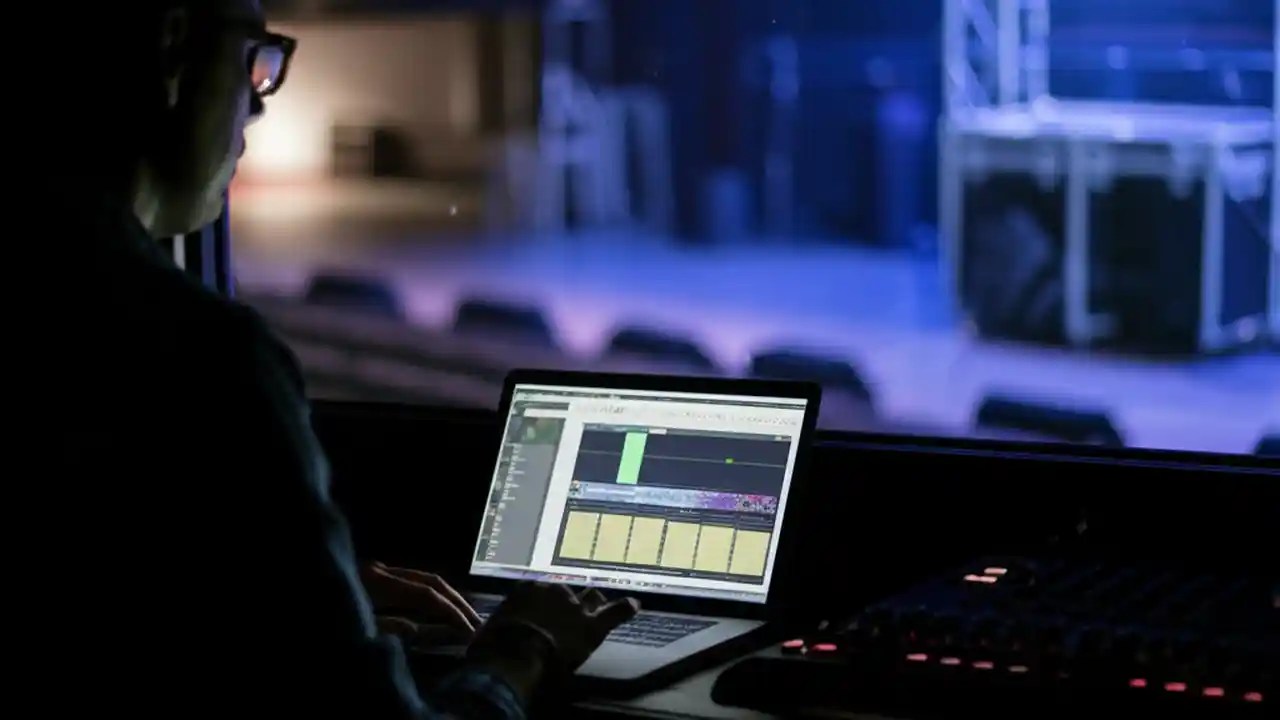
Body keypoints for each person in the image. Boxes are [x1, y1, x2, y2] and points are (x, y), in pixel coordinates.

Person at [39, 0, 637, 716]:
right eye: (253, 58)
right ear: (174, 54)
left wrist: (298, 597)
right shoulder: (206, 361)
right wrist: (523, 650)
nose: (256, 109)